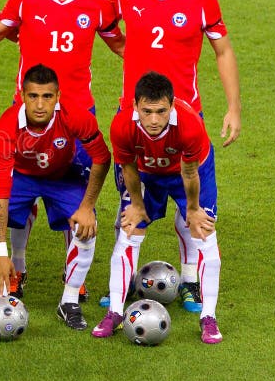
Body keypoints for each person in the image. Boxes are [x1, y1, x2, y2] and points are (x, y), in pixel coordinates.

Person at [0, 0, 123, 300]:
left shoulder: (96, 5)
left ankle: (74, 275)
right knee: (22, 187)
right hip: (27, 115)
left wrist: (156, 71)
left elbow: (122, 46)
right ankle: (17, 266)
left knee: (78, 200)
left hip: (77, 117)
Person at [101, 0, 241, 309]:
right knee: (130, 203)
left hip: (184, 119)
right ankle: (122, 284)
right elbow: (107, 28)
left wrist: (234, 107)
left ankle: (191, 280)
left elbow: (223, 51)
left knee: (190, 206)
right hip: (135, 117)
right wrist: (129, 50)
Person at [92, 71, 223, 344]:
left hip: (189, 172)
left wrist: (193, 209)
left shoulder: (190, 125)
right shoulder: (122, 126)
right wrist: (137, 205)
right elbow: (128, 168)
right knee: (129, 230)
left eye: (161, 111)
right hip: (145, 172)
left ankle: (208, 318)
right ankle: (115, 312)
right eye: (147, 111)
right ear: (135, 105)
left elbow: (190, 174)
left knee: (204, 234)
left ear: (172, 105)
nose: (153, 120)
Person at [0, 64, 111, 331]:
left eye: (47, 96)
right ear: (22, 95)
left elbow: (102, 157)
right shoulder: (7, 126)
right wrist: (0, 252)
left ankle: (69, 301)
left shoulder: (75, 116)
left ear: (58, 97)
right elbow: (1, 195)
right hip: (22, 176)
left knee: (87, 227)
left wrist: (87, 206)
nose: (40, 105)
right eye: (33, 96)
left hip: (62, 175)